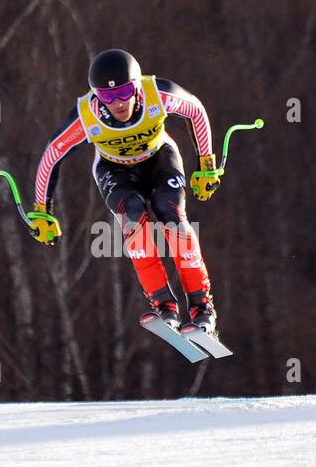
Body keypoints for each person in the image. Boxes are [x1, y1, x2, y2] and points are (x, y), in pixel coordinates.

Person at [29, 48, 220, 335]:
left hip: (159, 157)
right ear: (96, 95)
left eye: (125, 91)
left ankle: (202, 306)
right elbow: (52, 156)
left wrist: (206, 164)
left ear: (137, 86)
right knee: (133, 217)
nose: (118, 103)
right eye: (107, 96)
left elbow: (196, 111)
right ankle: (164, 305)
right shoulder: (87, 116)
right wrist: (42, 211)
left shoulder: (159, 93)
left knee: (171, 215)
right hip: (114, 169)